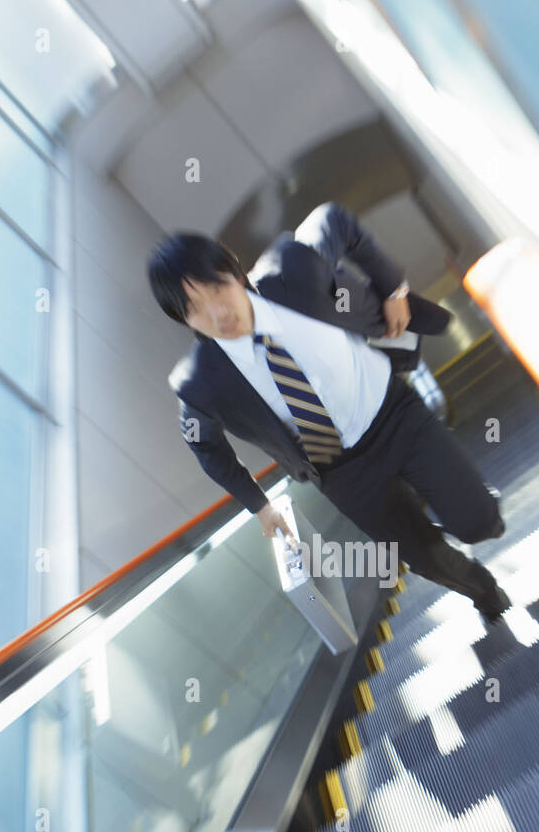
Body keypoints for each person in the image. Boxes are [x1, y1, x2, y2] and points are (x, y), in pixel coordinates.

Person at [147, 201, 510, 622]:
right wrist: (260, 505)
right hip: (341, 472)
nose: (217, 313)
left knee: (479, 522)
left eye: (216, 288)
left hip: (394, 414)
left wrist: (393, 290)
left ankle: (469, 507)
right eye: (193, 308)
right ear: (183, 319)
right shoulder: (199, 383)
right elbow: (206, 448)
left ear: (234, 269)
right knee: (426, 558)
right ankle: (484, 592)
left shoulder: (291, 271)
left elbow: (335, 219)